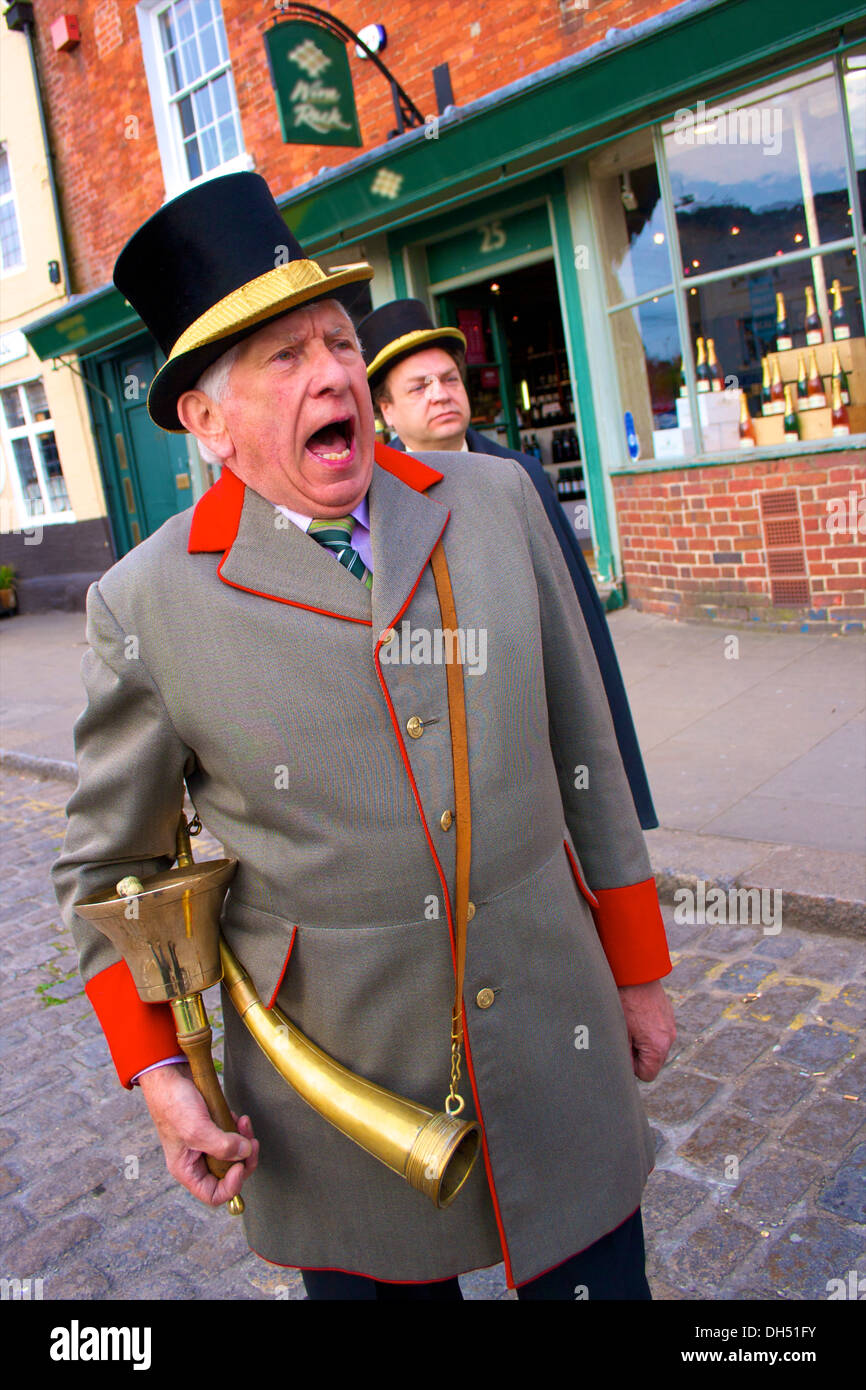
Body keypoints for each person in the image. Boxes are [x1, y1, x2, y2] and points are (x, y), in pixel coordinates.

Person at [52, 172, 675, 1301]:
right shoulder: (143, 603)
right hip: (334, 1073)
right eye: (283, 358)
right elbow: (111, 867)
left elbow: (587, 750)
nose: (334, 371)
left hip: (552, 1019)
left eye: (336, 339)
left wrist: (636, 970)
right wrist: (154, 1068)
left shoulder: (494, 500)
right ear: (204, 420)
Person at [357, 299, 657, 830]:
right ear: (386, 412)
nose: (441, 394)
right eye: (419, 386)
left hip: (532, 711)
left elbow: (577, 623)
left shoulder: (522, 475)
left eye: (449, 379)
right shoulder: (371, 501)